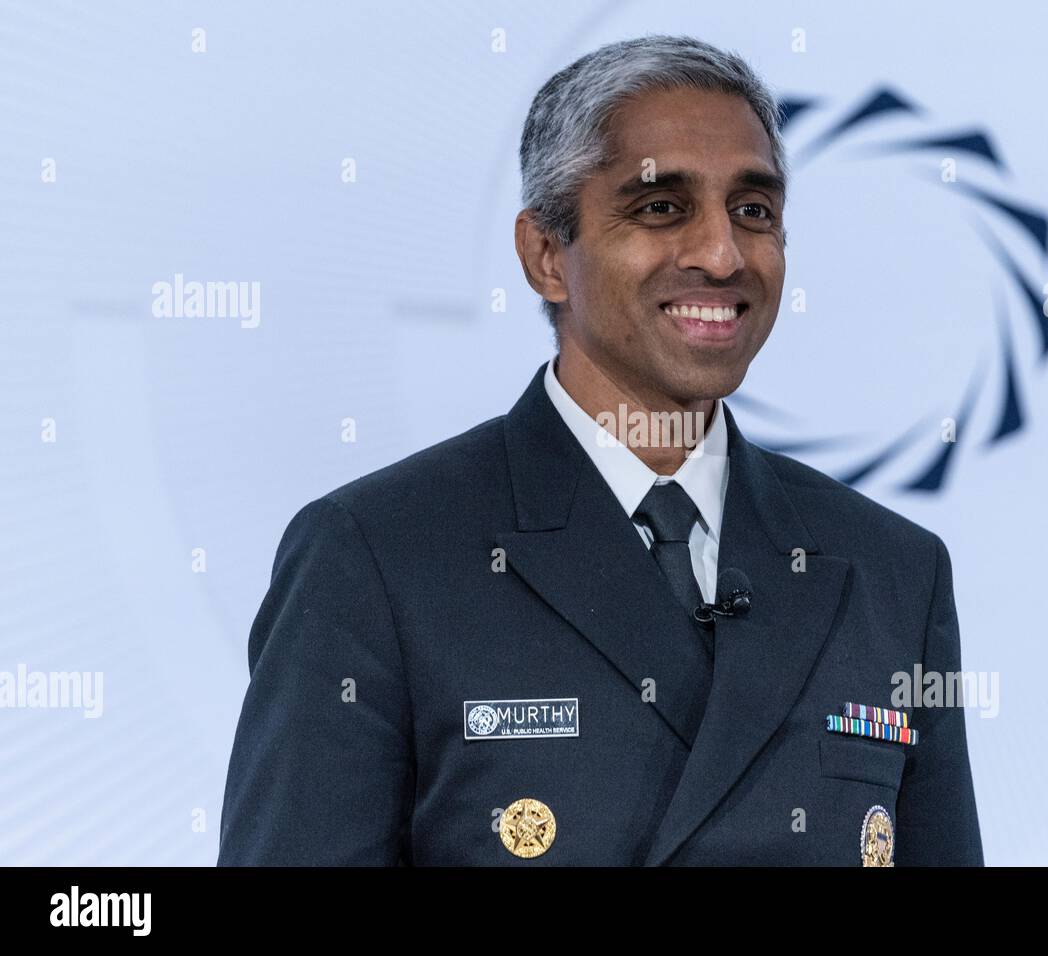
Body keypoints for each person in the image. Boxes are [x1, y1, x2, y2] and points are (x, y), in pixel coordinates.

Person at [217, 34, 983, 866]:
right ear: (547, 254)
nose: (722, 254)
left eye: (753, 211)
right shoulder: (375, 555)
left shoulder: (893, 571)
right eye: (662, 208)